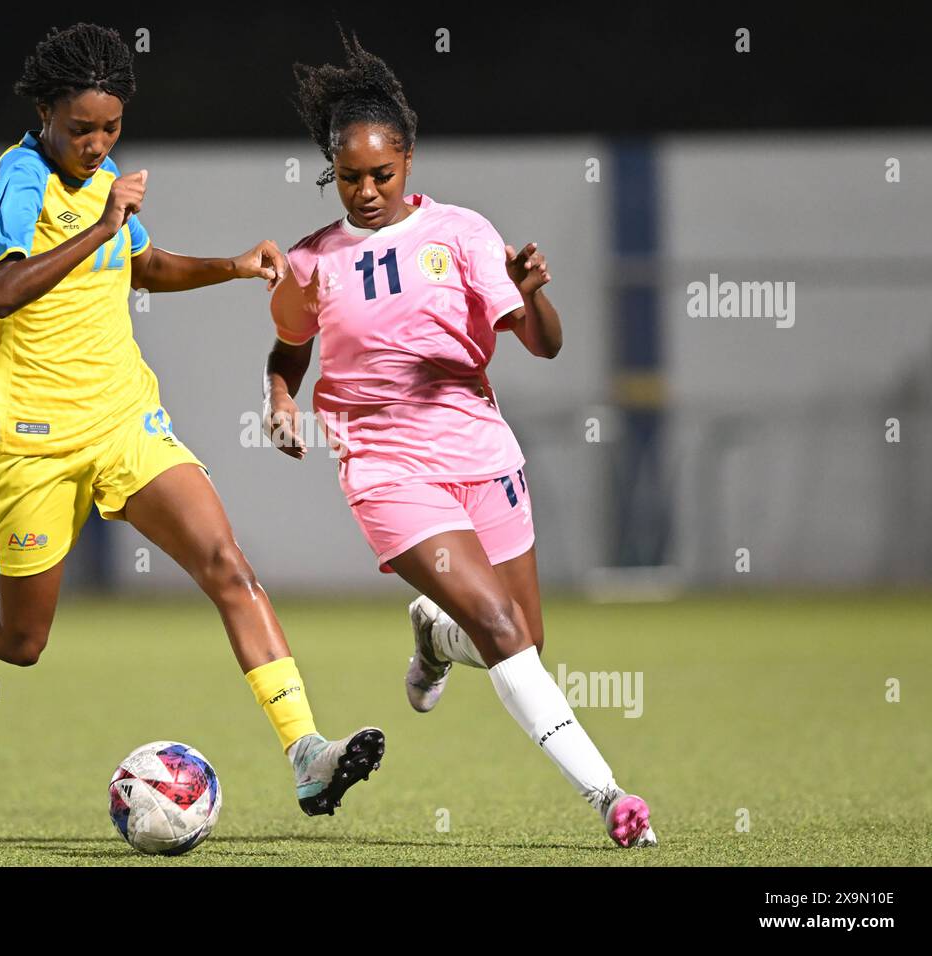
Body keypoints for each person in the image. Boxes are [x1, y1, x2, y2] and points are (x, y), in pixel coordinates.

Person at [0, 22, 384, 818]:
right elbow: (5, 289)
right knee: (21, 642)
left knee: (227, 565)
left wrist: (232, 266)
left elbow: (141, 264)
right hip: (33, 445)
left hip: (126, 421)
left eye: (112, 129)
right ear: (45, 112)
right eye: (82, 128)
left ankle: (306, 751)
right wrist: (100, 225)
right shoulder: (17, 180)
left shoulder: (104, 183)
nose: (98, 145)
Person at [263, 28, 655, 846]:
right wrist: (278, 399)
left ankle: (433, 638)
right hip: (386, 469)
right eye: (349, 176)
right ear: (329, 169)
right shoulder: (311, 263)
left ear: (408, 161)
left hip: (481, 453)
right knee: (507, 636)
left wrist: (532, 294)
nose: (365, 191)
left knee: (524, 641)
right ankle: (609, 797)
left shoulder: (465, 235)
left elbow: (543, 342)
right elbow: (289, 347)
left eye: (381, 174)